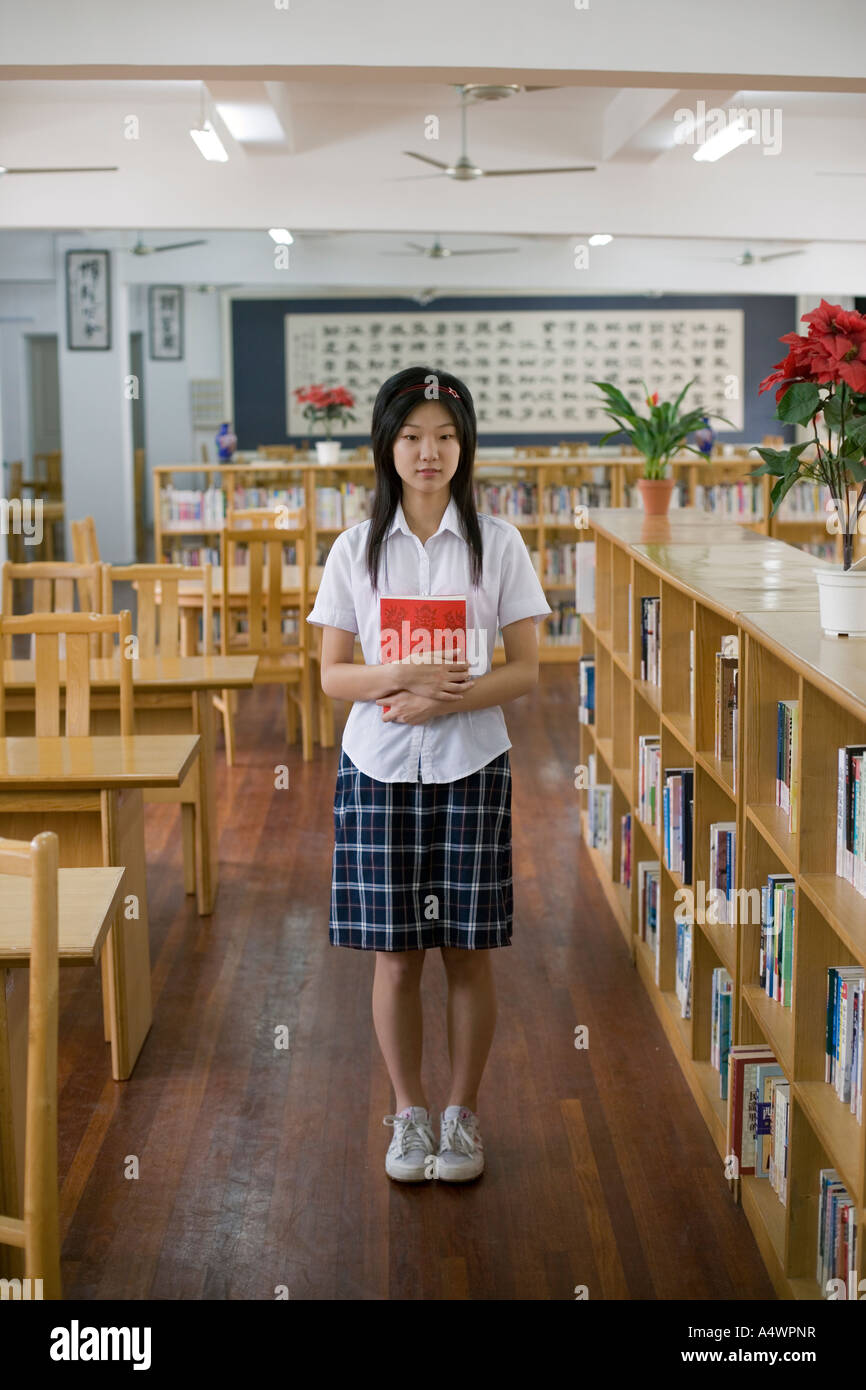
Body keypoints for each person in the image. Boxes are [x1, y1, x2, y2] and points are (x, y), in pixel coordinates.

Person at [306, 365, 551, 1182]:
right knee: (397, 957)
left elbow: (526, 671)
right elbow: (332, 675)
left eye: (445, 437)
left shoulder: (499, 543)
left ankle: (462, 1116)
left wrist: (446, 703)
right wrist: (400, 676)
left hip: (471, 765)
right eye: (411, 436)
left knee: (468, 952)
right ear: (387, 443)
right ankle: (408, 1114)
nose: (428, 452)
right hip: (377, 769)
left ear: (464, 446)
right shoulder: (353, 548)